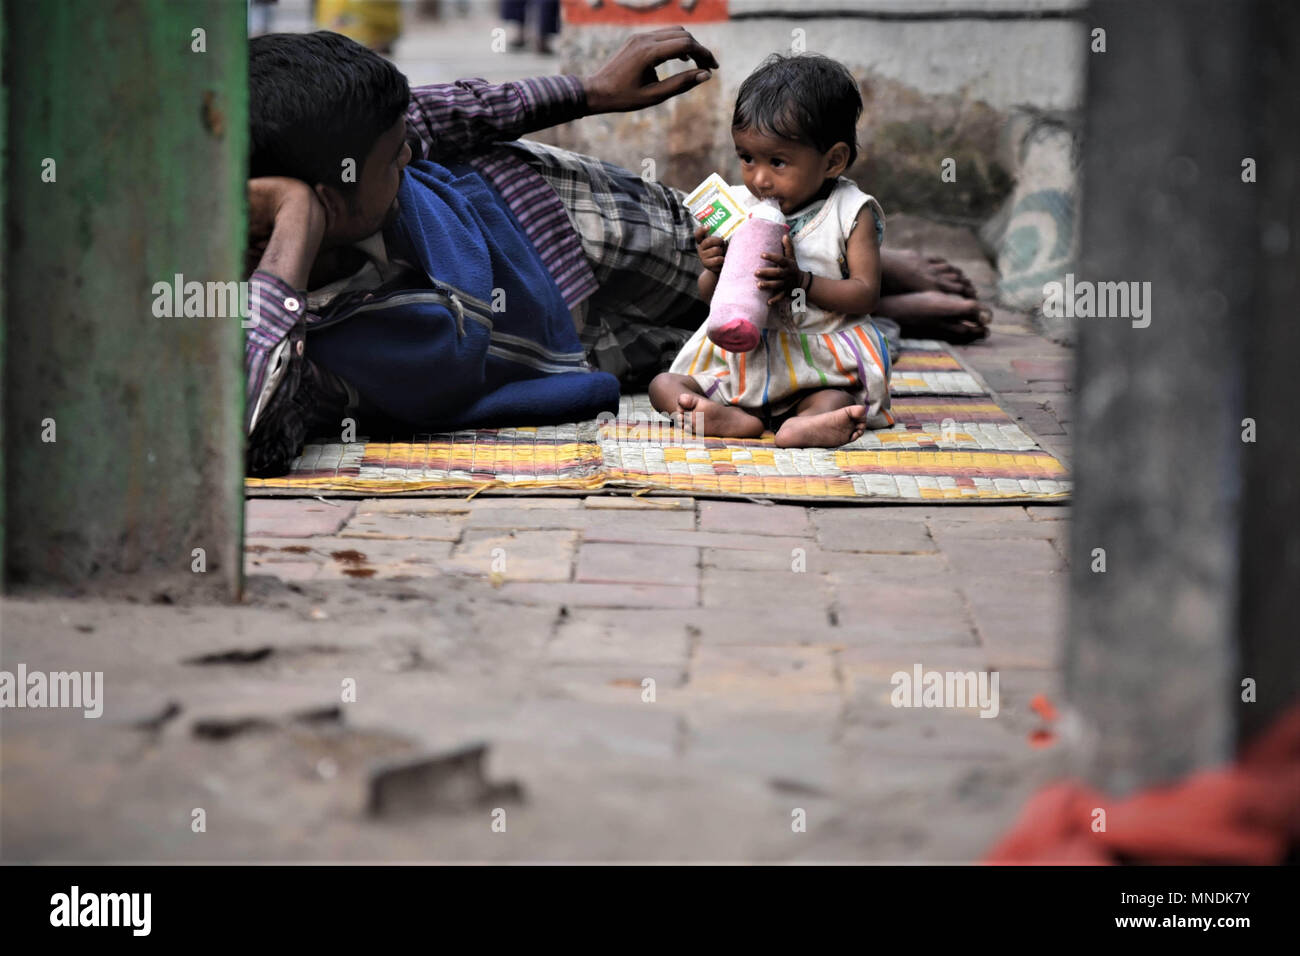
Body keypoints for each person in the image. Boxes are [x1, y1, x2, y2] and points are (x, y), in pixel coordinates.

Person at [243, 28, 987, 476]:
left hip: (552, 217)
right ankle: (880, 307)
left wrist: (589, 92)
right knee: (735, 354)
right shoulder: (264, 320)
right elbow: (253, 433)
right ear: (327, 197)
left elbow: (447, 111)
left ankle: (878, 271)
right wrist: (293, 225)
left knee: (736, 257)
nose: (410, 150)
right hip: (574, 349)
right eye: (392, 156)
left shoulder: (382, 139)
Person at [650, 54, 895, 448]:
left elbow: (866, 294)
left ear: (833, 160)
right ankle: (729, 419)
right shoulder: (738, 206)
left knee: (834, 398)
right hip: (745, 361)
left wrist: (802, 281)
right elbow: (714, 299)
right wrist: (714, 268)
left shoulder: (851, 212)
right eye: (747, 158)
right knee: (664, 384)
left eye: (778, 162)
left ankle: (810, 422)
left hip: (817, 361)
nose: (759, 178)